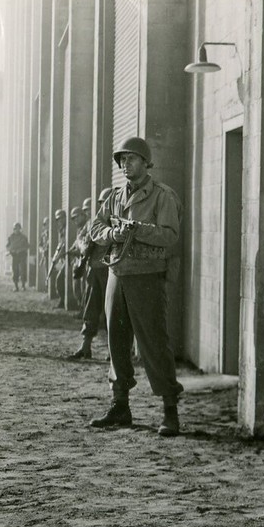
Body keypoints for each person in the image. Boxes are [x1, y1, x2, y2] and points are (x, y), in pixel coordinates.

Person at [87, 137, 183, 437]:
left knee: (154, 343)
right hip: (117, 273)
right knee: (116, 342)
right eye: (122, 160)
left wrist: (138, 230)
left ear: (145, 162)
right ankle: (120, 405)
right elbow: (95, 227)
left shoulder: (162, 196)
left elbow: (170, 235)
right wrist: (112, 234)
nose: (125, 164)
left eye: (130, 159)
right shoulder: (115, 197)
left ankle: (170, 410)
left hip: (147, 277)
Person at [66, 193, 110, 361]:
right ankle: (85, 347)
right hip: (94, 270)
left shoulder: (116, 222)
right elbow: (85, 246)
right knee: (90, 309)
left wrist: (83, 245)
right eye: (101, 203)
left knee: (112, 312)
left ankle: (113, 351)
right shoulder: (94, 222)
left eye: (106, 202)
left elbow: (85, 245)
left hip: (110, 271)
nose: (103, 206)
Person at [5, 222, 29, 291]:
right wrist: (11, 250)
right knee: (15, 271)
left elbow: (27, 246)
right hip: (15, 256)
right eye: (15, 229)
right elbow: (7, 246)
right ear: (13, 229)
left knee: (23, 270)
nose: (17, 230)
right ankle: (16, 286)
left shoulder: (23, 237)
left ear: (20, 229)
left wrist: (22, 249)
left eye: (18, 228)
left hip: (22, 255)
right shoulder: (11, 237)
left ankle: (23, 285)